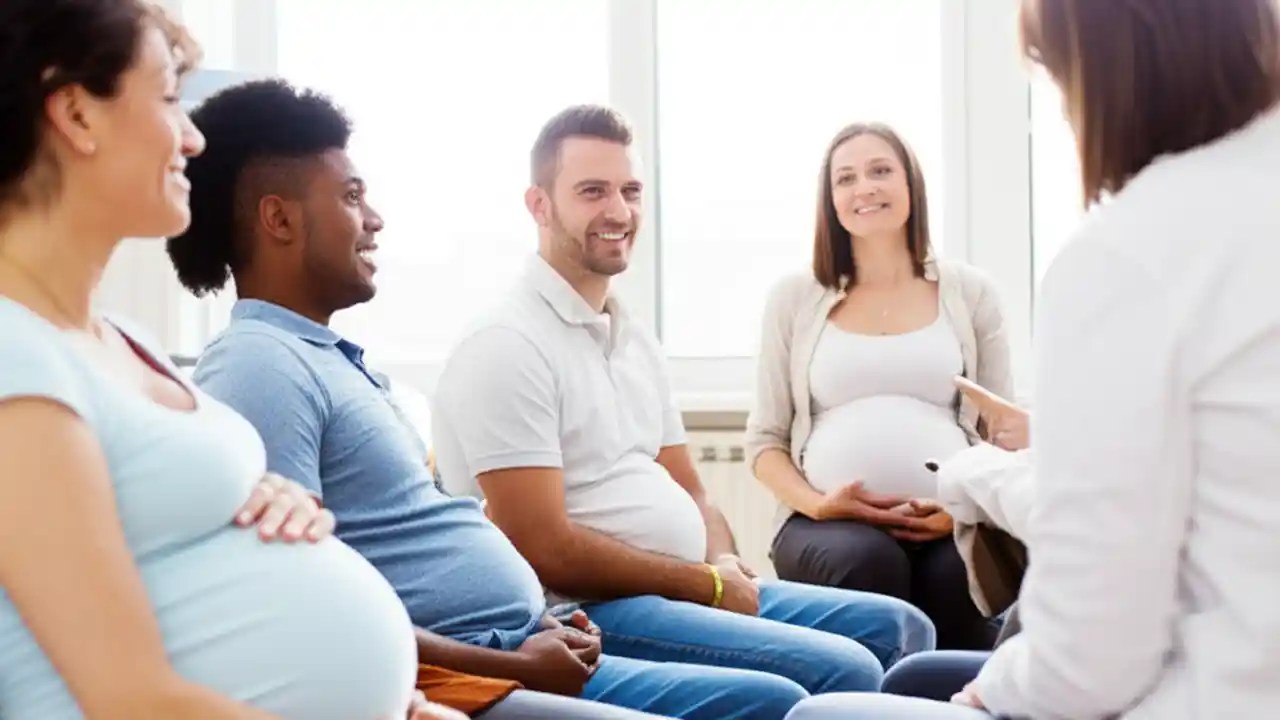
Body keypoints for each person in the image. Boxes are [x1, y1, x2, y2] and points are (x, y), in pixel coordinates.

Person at [168, 78, 812, 720]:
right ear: (279, 218)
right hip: (467, 678)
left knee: (774, 700)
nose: (374, 218)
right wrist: (513, 666)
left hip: (524, 644)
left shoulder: (325, 359)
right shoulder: (258, 365)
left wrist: (541, 632)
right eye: (352, 196)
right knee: (769, 706)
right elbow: (294, 601)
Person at [800, 0, 1280, 716]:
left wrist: (992, 687)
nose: (1063, 113)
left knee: (823, 711)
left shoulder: (1124, 257)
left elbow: (1091, 656)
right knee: (907, 676)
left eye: (1058, 78)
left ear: (1114, 67)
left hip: (1208, 688)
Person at [0, 2, 439, 718]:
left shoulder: (119, 340)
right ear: (78, 116)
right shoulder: (15, 360)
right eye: (171, 97)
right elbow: (131, 701)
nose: (194, 138)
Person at [431, 104, 935, 701]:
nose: (619, 211)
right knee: (844, 667)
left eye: (631, 190)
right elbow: (542, 548)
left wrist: (723, 560)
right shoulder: (506, 343)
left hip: (689, 582)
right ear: (538, 205)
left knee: (902, 627)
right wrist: (709, 587)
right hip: (586, 612)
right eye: (593, 191)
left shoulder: (629, 333)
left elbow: (690, 488)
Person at [744, 121, 1015, 650]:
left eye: (880, 171)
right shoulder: (795, 298)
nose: (863, 187)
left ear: (911, 185)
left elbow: (1002, 433)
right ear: (831, 202)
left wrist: (964, 509)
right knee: (870, 564)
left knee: (959, 575)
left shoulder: (971, 293)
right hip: (820, 523)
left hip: (952, 518)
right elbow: (765, 443)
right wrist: (820, 505)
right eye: (845, 178)